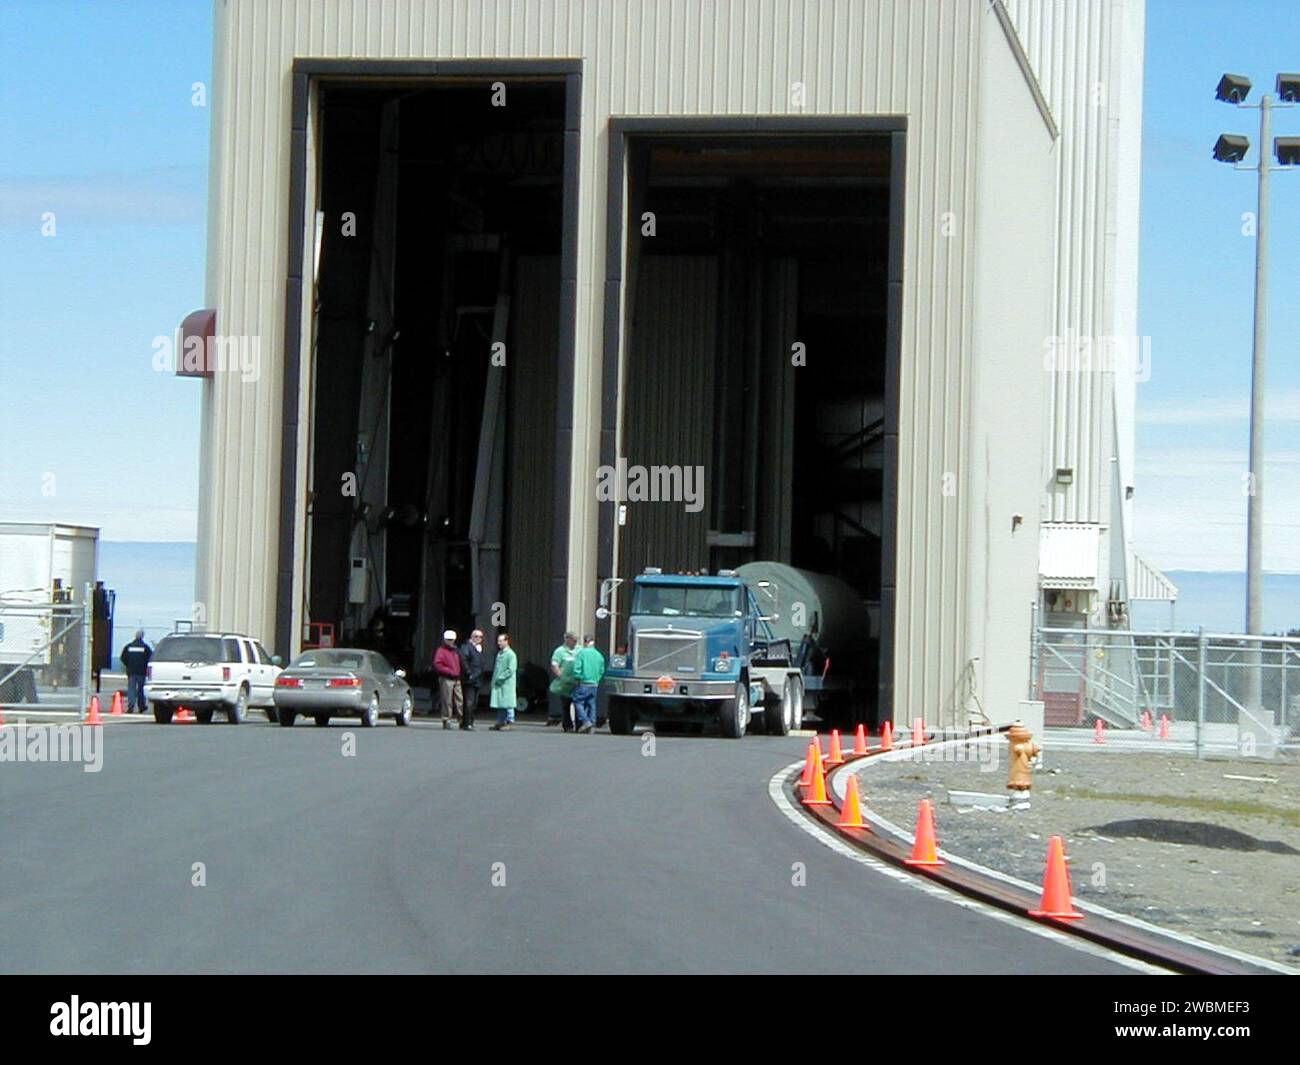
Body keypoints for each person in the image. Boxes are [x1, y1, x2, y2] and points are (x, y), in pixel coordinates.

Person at [570, 634, 606, 734]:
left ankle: (586, 721)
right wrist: (597, 679)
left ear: (585, 641)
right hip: (594, 683)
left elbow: (577, 668)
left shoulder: (581, 653)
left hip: (583, 683)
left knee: (578, 702)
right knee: (591, 703)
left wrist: (578, 678)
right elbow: (601, 671)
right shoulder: (599, 655)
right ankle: (592, 724)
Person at [546, 631, 578, 729]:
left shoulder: (579, 650)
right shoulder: (559, 651)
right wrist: (560, 676)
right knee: (566, 705)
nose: (575, 642)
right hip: (565, 684)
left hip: (577, 683)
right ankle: (567, 725)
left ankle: (579, 725)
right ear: (567, 640)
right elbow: (554, 665)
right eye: (573, 640)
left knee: (579, 705)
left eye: (576, 640)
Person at [433, 629, 464, 730]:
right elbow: (437, 664)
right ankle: (446, 720)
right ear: (444, 640)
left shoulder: (456, 651)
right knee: (447, 700)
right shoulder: (441, 651)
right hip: (446, 678)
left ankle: (461, 719)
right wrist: (450, 671)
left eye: (451, 639)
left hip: (457, 679)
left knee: (460, 699)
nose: (450, 641)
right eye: (448, 639)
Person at [119, 629, 152, 714]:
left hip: (131, 671)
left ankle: (131, 706)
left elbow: (123, 658)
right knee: (141, 690)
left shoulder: (128, 646)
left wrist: (129, 665)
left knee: (131, 689)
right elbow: (150, 659)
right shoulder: (145, 647)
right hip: (141, 672)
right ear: (142, 636)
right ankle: (141, 706)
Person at [489, 633, 518, 731]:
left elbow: (511, 669)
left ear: (506, 641)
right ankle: (500, 721)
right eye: (498, 641)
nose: (499, 643)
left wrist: (501, 678)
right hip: (498, 683)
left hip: (507, 683)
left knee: (508, 703)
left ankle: (509, 721)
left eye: (501, 641)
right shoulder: (500, 653)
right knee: (500, 703)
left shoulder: (511, 654)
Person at [458, 629, 485, 731]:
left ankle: (470, 722)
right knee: (469, 702)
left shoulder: (478, 648)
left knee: (474, 702)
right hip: (470, 680)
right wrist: (469, 673)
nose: (479, 639)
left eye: (481, 637)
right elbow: (463, 660)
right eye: (476, 636)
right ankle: (466, 723)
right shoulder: (466, 647)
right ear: (472, 637)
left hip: (478, 679)